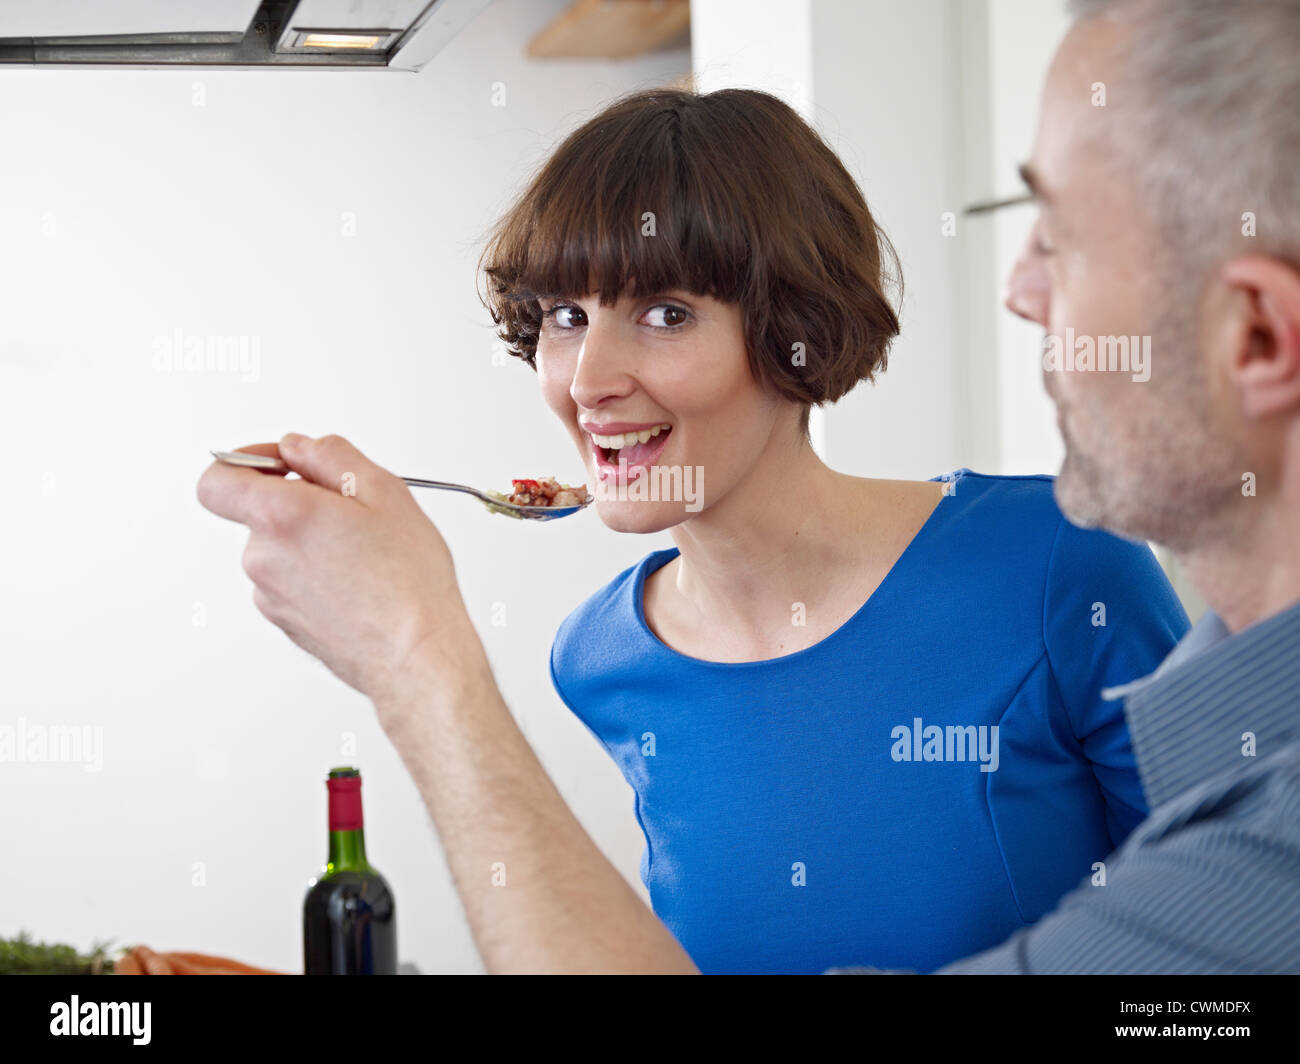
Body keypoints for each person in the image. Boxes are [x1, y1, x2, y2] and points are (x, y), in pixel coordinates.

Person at [196, 0, 1300, 974]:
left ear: (796, 335)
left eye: (665, 313)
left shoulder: (1056, 564)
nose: (588, 380)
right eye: (562, 318)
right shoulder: (599, 658)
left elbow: (1210, 964)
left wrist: (412, 652)